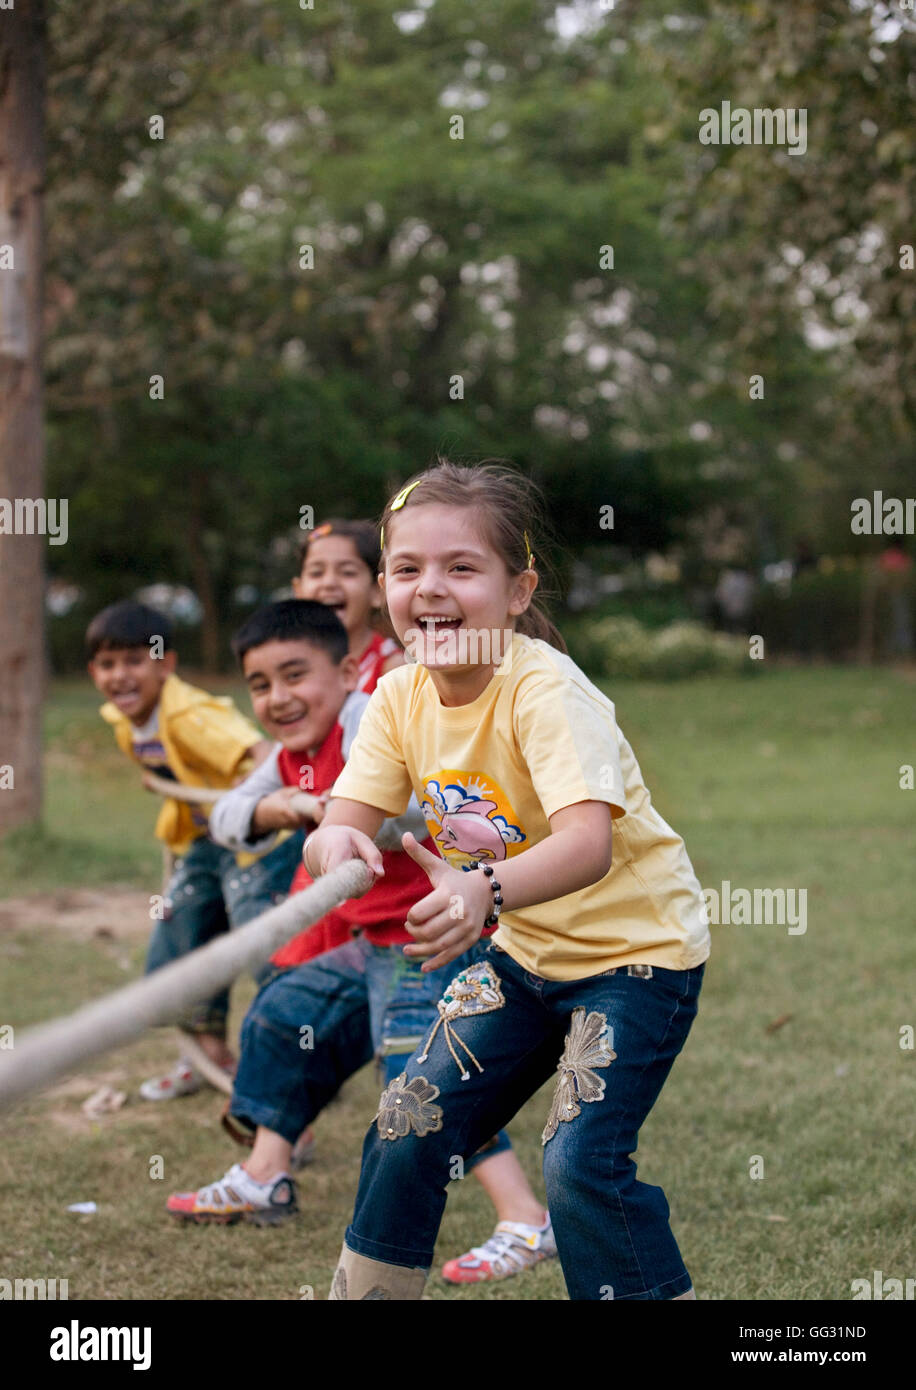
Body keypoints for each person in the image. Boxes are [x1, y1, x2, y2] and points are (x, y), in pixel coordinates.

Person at [304, 460, 710, 1301]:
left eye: (462, 568)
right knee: (406, 1122)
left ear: (518, 589)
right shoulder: (395, 696)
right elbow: (342, 818)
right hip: (526, 958)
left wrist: (479, 892)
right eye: (407, 569)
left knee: (578, 1163)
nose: (431, 589)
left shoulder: (545, 691)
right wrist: (335, 852)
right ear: (385, 586)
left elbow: (586, 845)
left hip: (638, 959)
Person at [166, 599, 555, 1286]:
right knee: (284, 1014)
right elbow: (227, 816)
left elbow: (419, 799)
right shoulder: (292, 756)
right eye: (260, 684)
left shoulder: (369, 716)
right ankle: (266, 1174)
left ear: (348, 672)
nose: (280, 698)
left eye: (296, 675)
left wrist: (351, 810)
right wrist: (288, 808)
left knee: (422, 1075)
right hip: (369, 942)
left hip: (432, 937)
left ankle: (528, 1218)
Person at [86, 600, 302, 1101]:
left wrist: (250, 806)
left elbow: (263, 754)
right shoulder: (123, 719)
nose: (119, 675)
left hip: (256, 845)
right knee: (180, 932)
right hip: (205, 843)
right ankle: (207, 1057)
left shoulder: (188, 714)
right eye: (107, 663)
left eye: (134, 660)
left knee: (265, 947)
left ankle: (302, 1057)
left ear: (166, 664)